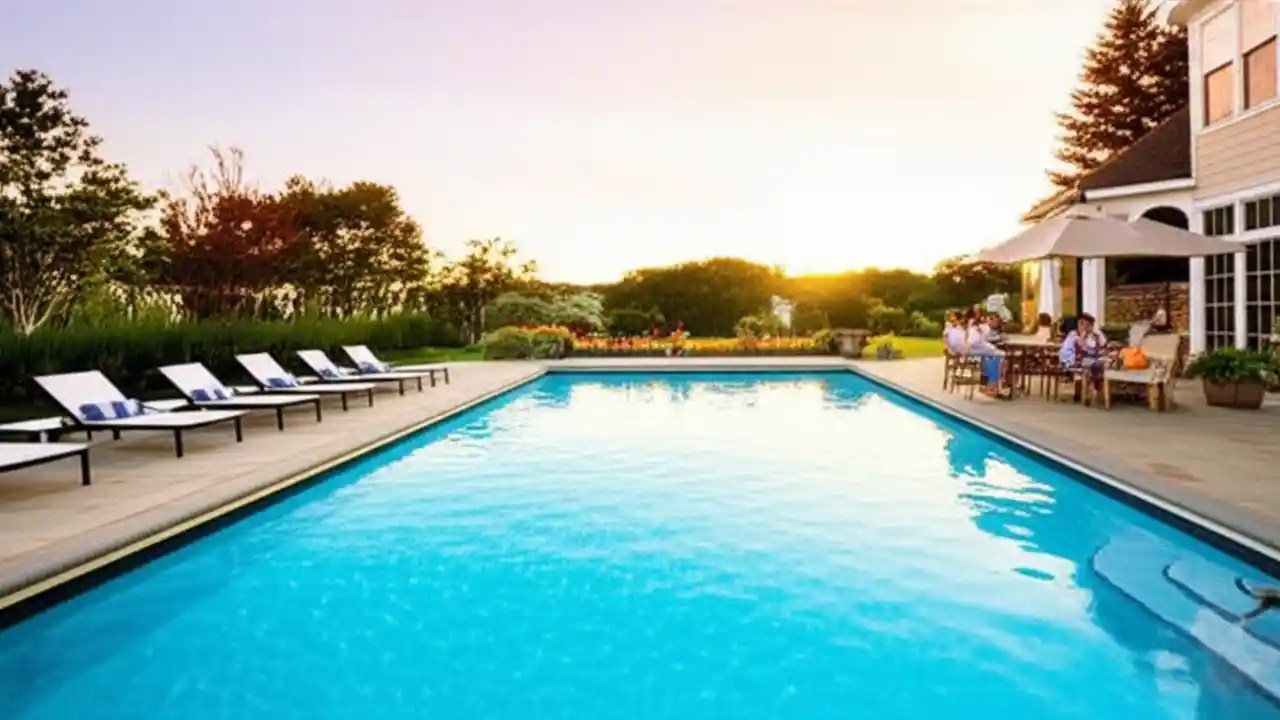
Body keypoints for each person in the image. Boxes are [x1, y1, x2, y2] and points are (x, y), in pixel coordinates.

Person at [1059, 312, 1109, 398]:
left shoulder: (1095, 335)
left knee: (1104, 364)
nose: (1085, 327)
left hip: (1094, 359)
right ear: (1079, 324)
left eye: (1089, 325)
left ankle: (1099, 390)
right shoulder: (1073, 335)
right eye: (1083, 325)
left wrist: (1097, 333)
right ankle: (1088, 390)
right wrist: (1083, 335)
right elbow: (1079, 345)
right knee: (1092, 366)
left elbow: (1103, 344)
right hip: (1078, 360)